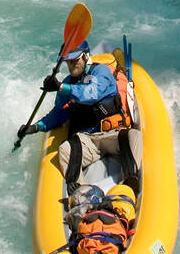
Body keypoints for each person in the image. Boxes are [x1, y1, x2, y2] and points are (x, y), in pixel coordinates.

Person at [16, 41, 142, 189]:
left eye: (75, 60)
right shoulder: (69, 82)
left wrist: (61, 87)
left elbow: (92, 93)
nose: (71, 65)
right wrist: (36, 127)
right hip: (88, 140)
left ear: (85, 57)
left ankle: (129, 182)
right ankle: (81, 193)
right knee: (65, 150)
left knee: (134, 136)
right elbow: (60, 112)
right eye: (68, 61)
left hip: (113, 135)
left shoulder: (101, 71)